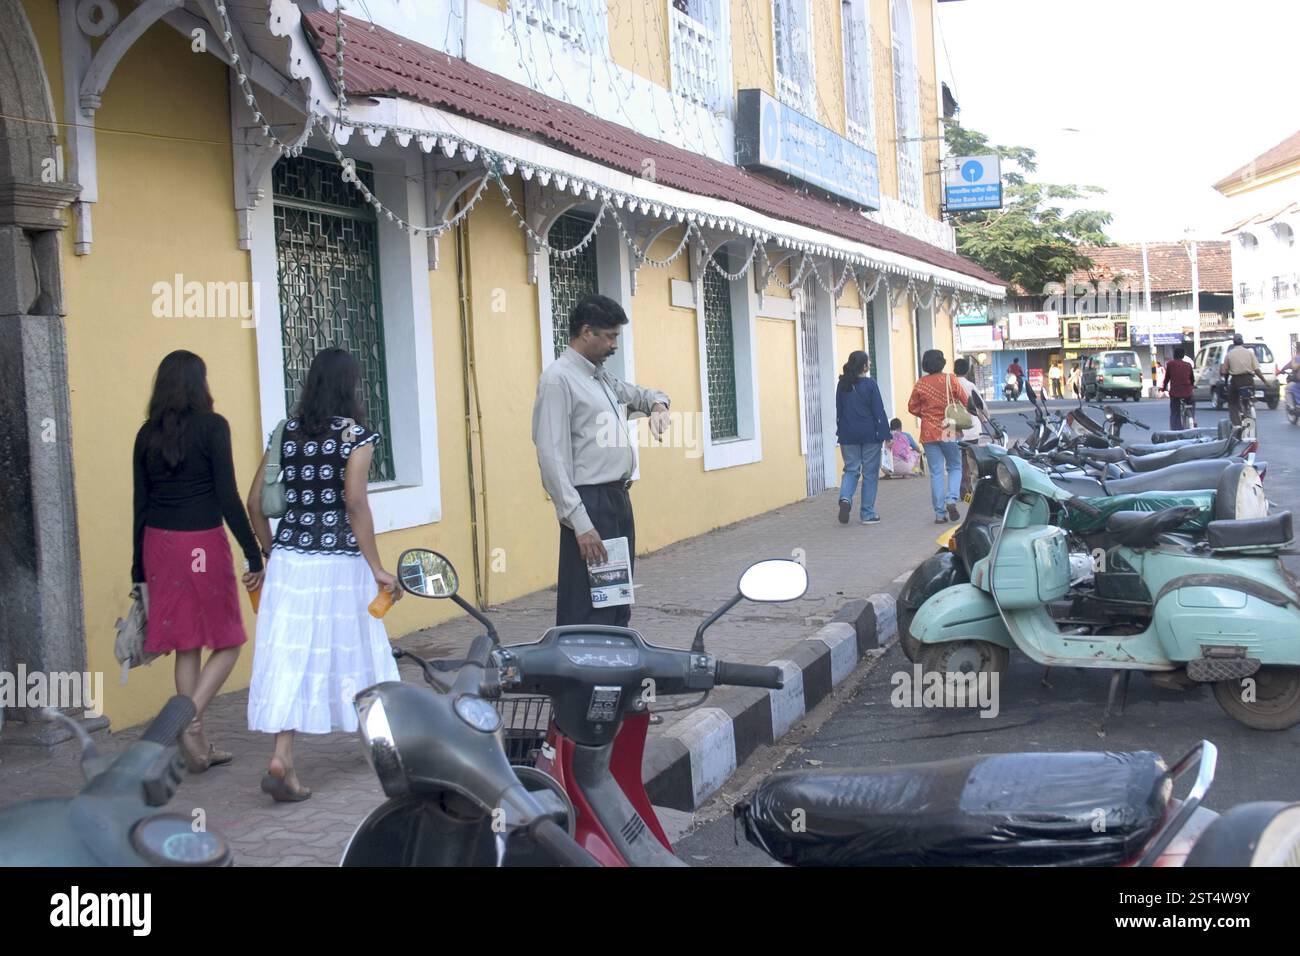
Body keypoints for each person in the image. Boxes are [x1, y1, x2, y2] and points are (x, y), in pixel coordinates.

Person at [245, 348, 402, 802]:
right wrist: (377, 568)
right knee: (361, 649)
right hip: (339, 562)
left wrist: (272, 553)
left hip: (291, 561)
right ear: (349, 386)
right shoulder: (357, 436)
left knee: (290, 655)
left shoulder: (284, 432)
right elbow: (355, 504)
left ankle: (282, 757)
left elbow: (255, 503)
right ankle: (379, 748)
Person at [133, 350, 263, 773]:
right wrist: (253, 549)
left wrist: (138, 570)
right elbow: (227, 495)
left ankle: (197, 747)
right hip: (200, 547)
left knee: (185, 644)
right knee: (229, 640)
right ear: (199, 384)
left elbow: (140, 503)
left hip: (159, 544)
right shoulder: (213, 426)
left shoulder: (146, 434)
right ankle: (187, 721)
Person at [532, 294, 670, 627]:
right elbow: (551, 458)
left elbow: (641, 395)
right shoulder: (558, 380)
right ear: (585, 332)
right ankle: (581, 674)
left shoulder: (600, 377)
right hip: (589, 504)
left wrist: (658, 407)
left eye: (616, 337)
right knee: (587, 603)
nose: (614, 345)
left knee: (615, 599)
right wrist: (580, 523)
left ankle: (616, 667)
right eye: (609, 336)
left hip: (615, 499)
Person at [908, 350, 968, 524]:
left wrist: (926, 415)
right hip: (948, 427)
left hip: (928, 430)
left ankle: (939, 514)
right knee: (955, 466)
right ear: (942, 362)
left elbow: (912, 407)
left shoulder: (921, 383)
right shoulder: (950, 379)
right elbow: (965, 400)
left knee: (936, 471)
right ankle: (952, 499)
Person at [834, 350, 891, 524]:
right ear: (864, 366)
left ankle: (845, 498)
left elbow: (839, 410)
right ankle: (867, 513)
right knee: (870, 474)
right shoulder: (870, 385)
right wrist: (886, 434)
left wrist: (841, 429)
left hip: (847, 434)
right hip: (869, 435)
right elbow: (878, 411)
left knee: (851, 469)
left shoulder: (842, 385)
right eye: (868, 362)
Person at [1219, 333, 1268, 428]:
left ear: (1233, 343)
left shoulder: (1229, 354)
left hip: (1236, 381)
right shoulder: (1249, 353)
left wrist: (1225, 382)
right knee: (1248, 398)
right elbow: (1257, 370)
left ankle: (1236, 425)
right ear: (1242, 342)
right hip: (1249, 380)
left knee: (1232, 403)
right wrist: (1265, 381)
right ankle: (1249, 406)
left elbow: (1225, 372)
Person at [1159, 346, 1196, 430]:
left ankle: (1175, 428)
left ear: (1174, 355)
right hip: (1187, 392)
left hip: (1175, 393)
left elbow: (1167, 378)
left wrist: (1163, 388)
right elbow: (1192, 379)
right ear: (1183, 355)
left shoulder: (1170, 364)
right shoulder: (1188, 365)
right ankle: (1193, 419)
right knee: (1192, 403)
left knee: (1175, 411)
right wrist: (1192, 385)